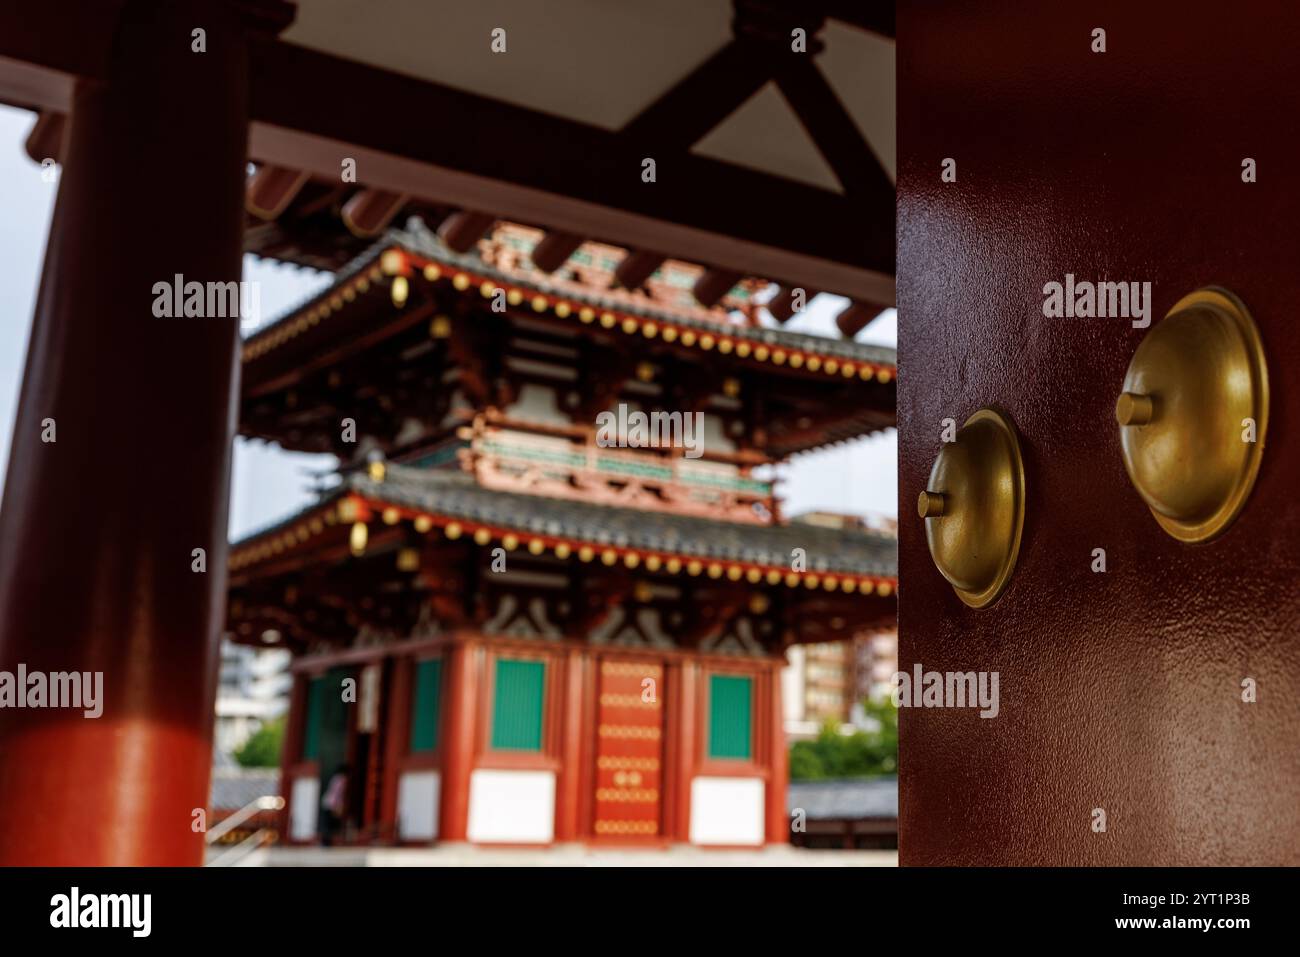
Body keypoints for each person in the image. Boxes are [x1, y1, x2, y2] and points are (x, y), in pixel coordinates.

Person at [320, 764, 349, 847]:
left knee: (327, 823)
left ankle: (325, 842)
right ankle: (328, 842)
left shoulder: (335, 778)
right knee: (331, 824)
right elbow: (338, 794)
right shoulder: (342, 779)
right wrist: (338, 807)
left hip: (327, 802)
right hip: (333, 804)